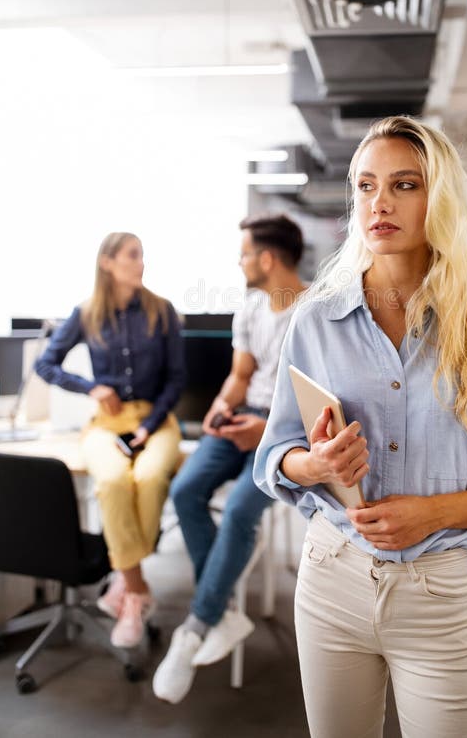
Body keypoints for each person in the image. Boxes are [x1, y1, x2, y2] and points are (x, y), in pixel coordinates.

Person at [254, 116, 467, 738]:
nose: (381, 203)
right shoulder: (315, 322)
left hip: (439, 589)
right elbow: (276, 454)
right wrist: (314, 466)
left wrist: (435, 512)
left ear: (439, 198)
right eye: (366, 186)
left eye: (404, 184)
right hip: (331, 576)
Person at [153, 213, 307, 704]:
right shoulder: (251, 308)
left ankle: (196, 627)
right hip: (240, 416)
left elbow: (317, 398)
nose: (238, 262)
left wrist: (265, 431)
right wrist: (221, 409)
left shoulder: (315, 313)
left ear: (266, 258)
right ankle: (220, 611)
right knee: (184, 490)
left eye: (243, 253)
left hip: (283, 429)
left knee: (241, 509)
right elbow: (241, 375)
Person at [35, 232, 185, 648]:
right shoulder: (86, 313)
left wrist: (147, 426)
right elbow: (46, 364)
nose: (141, 263)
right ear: (107, 262)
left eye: (142, 255)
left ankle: (123, 581)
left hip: (156, 420)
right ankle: (136, 590)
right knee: (114, 481)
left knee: (151, 479)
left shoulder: (163, 311)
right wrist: (90, 388)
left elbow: (177, 380)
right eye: (133, 255)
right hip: (106, 421)